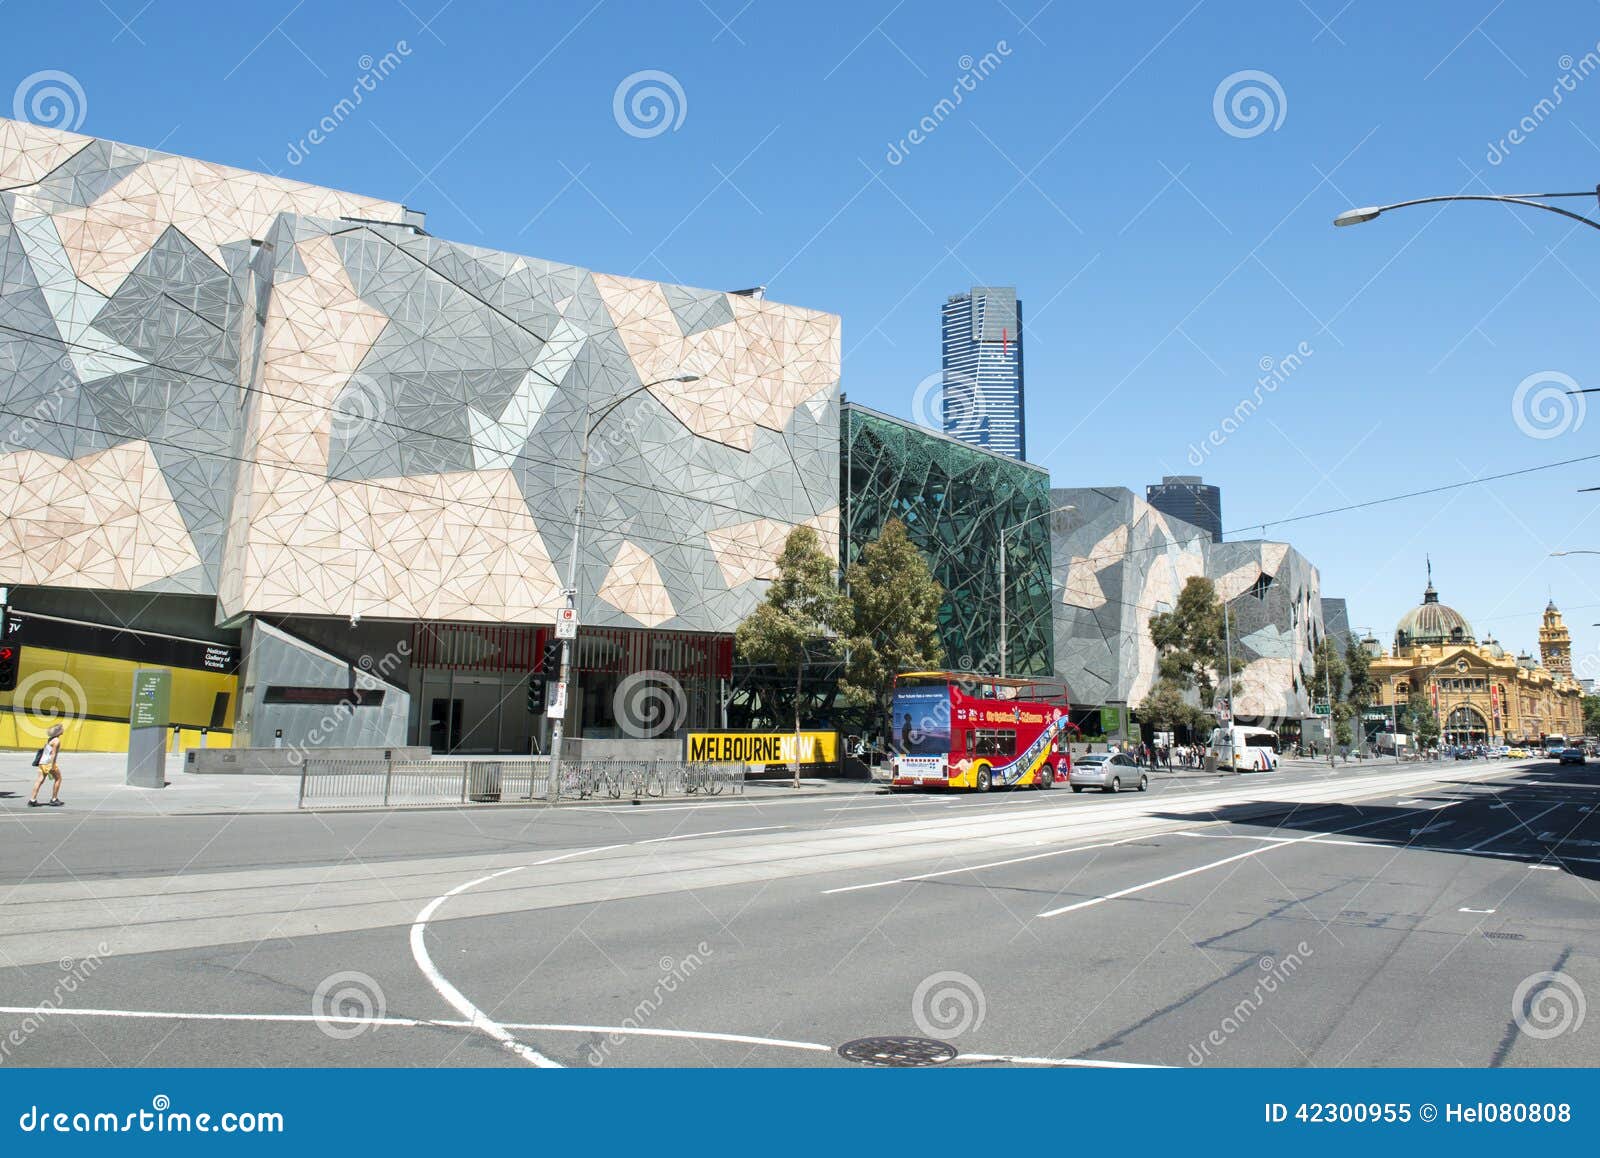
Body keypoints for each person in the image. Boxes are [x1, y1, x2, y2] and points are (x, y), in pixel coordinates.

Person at [29, 723, 65, 807]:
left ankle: (32, 800)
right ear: (58, 731)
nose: (63, 730)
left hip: (42, 762)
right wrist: (52, 765)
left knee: (39, 780)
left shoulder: (50, 739)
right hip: (49, 763)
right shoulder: (56, 740)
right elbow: (53, 753)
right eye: (62, 729)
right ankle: (54, 799)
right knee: (58, 779)